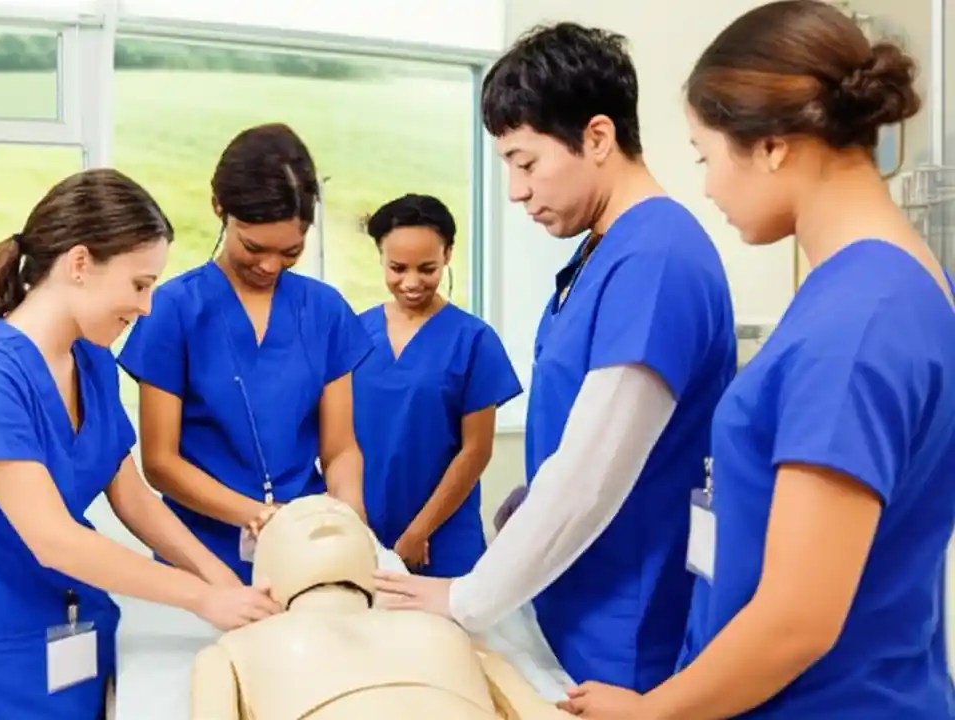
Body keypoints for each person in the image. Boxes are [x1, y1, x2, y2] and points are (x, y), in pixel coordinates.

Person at [561, 2, 955, 717]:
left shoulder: (857, 321)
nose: (708, 186)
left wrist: (649, 712)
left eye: (706, 155)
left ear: (772, 145)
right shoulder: (903, 283)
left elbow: (797, 621)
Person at [375, 23, 738, 695]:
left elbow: (592, 472)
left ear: (597, 138)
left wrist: (465, 599)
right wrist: (529, 503)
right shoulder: (600, 255)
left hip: (627, 633)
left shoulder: (657, 259)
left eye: (525, 161)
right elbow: (583, 437)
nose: (515, 190)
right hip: (570, 604)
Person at [0, 168, 280, 719]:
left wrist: (219, 577)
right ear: (79, 264)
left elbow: (134, 498)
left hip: (75, 639)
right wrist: (200, 597)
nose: (146, 307)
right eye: (139, 284)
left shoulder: (91, 360)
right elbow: (53, 540)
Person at [118, 123, 371, 582]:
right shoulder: (172, 309)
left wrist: (349, 515)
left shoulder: (325, 310)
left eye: (290, 252)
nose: (270, 266)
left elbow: (339, 448)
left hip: (308, 553)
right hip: (199, 553)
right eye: (254, 247)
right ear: (220, 209)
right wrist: (261, 518)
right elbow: (160, 461)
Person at [191, 495, 570, 720]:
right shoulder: (236, 649)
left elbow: (537, 712)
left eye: (341, 514)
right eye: (293, 521)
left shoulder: (442, 628)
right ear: (263, 580)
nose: (323, 511)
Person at [352, 194, 522, 577]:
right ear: (379, 256)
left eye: (426, 268)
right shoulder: (355, 333)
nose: (411, 283)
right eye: (397, 267)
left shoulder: (473, 339)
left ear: (448, 254)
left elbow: (476, 451)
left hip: (440, 538)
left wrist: (419, 531)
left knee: (447, 636)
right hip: (362, 530)